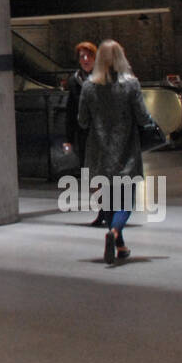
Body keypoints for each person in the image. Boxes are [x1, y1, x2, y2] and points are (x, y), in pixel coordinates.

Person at [78, 39, 160, 263]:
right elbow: (143, 117)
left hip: (99, 152)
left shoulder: (88, 86)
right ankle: (114, 233)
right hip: (125, 152)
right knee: (125, 203)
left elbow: (82, 121)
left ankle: (120, 246)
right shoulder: (131, 84)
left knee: (110, 202)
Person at [64, 41, 110, 226]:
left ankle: (110, 209)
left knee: (106, 173)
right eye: (81, 56)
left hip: (103, 134)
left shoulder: (103, 78)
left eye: (88, 56)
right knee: (91, 176)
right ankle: (102, 209)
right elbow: (70, 110)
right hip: (84, 135)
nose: (84, 60)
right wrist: (69, 138)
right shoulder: (75, 81)